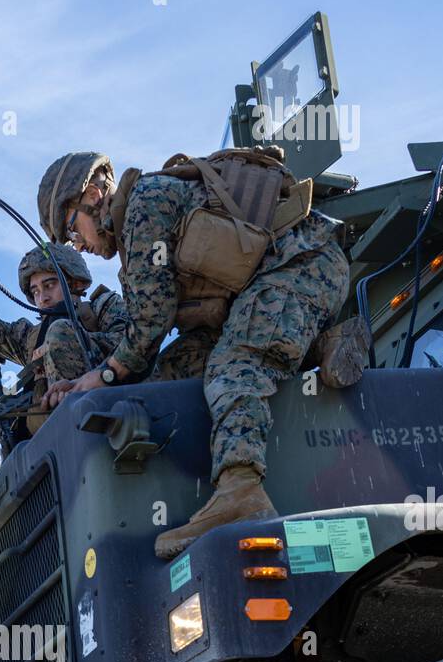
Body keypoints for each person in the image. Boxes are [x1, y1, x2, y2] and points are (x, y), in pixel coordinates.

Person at [37, 149, 350, 556]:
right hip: (262, 292)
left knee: (234, 366)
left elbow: (150, 325)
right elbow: (143, 346)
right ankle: (323, 345)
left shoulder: (143, 207)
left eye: (71, 229)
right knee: (170, 372)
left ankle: (241, 492)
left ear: (93, 195)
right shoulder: (135, 233)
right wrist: (93, 379)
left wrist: (106, 375)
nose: (78, 245)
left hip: (302, 265)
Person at [0, 243, 127, 438]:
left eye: (49, 285)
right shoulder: (32, 338)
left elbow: (130, 346)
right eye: (36, 291)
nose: (43, 298)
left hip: (106, 411)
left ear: (75, 283)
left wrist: (60, 347)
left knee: (59, 331)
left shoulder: (103, 306)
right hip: (49, 439)